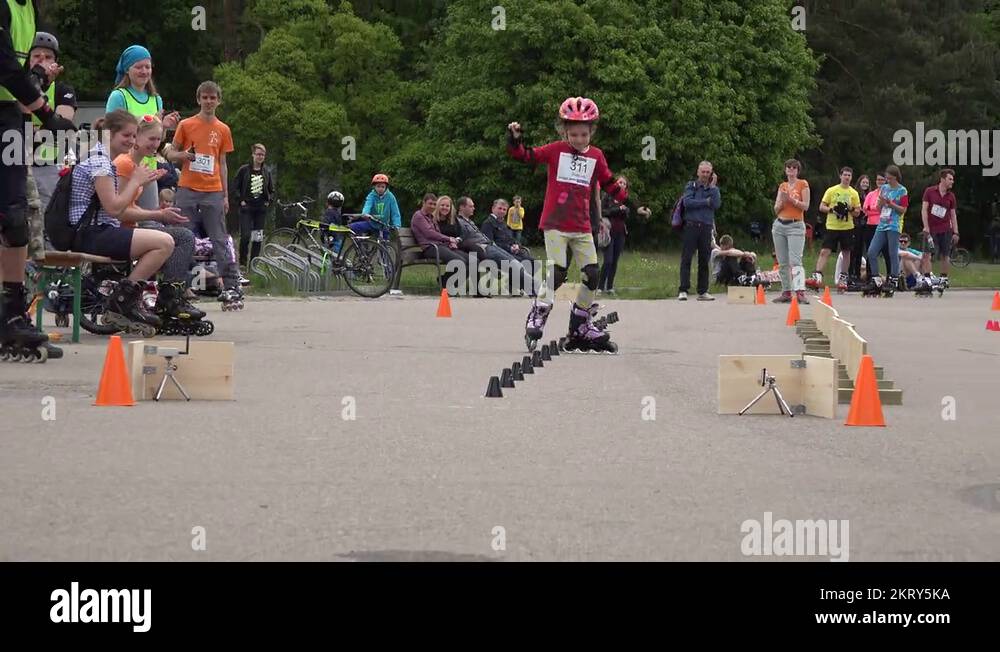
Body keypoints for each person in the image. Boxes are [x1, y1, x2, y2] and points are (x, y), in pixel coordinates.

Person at [507, 96, 628, 353]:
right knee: (559, 272)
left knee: (592, 274)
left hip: (582, 226)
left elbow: (608, 183)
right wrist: (515, 139)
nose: (579, 140)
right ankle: (538, 313)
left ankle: (580, 326)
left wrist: (633, 203)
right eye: (573, 134)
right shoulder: (556, 150)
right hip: (555, 224)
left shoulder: (596, 156)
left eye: (584, 134)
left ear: (591, 132)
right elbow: (526, 156)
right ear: (564, 132)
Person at [1, 0, 76, 361]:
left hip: (9, 116)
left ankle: (13, 311)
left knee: (15, 218)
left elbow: (19, 72)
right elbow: (4, 65)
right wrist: (46, 111)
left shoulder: (29, 8)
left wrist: (40, 79)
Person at [69, 111, 188, 331]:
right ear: (109, 134)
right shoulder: (100, 163)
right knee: (165, 242)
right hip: (91, 233)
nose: (132, 141)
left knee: (166, 239)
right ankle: (123, 301)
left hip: (98, 230)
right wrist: (135, 181)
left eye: (134, 136)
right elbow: (115, 208)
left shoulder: (105, 160)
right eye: (127, 136)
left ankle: (132, 298)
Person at [112, 113, 204, 325]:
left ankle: (170, 296)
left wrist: (160, 213)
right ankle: (169, 299)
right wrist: (157, 215)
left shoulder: (139, 164)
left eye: (158, 140)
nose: (155, 145)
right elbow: (119, 210)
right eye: (151, 139)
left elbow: (130, 206)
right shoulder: (125, 164)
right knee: (183, 237)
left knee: (184, 235)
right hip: (121, 230)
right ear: (136, 137)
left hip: (132, 227)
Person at [163, 81, 241, 309]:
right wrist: (185, 155)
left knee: (219, 238)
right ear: (198, 100)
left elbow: (223, 163)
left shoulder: (223, 129)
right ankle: (179, 285)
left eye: (212, 98)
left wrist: (225, 195)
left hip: (213, 190)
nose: (208, 101)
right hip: (187, 188)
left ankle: (231, 286)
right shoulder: (186, 125)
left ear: (219, 101)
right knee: (184, 237)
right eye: (204, 98)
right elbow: (171, 153)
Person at [106, 45, 180, 212]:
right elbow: (108, 135)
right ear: (127, 70)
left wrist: (163, 127)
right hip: (124, 170)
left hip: (148, 171)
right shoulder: (119, 96)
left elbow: (157, 141)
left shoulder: (156, 99)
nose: (144, 71)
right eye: (138, 67)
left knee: (148, 219)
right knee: (121, 217)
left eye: (147, 67)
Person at [25, 31, 76, 208]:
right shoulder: (16, 86)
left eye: (48, 57)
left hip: (49, 164)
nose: (42, 60)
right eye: (36, 56)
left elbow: (61, 126)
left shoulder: (62, 90)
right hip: (18, 162)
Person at [456, 196, 534, 296]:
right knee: (516, 263)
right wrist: (509, 248)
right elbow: (487, 240)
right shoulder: (488, 223)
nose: (502, 211)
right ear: (493, 209)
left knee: (529, 261)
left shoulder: (502, 224)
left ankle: (524, 287)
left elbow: (511, 238)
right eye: (499, 208)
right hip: (489, 249)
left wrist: (516, 245)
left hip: (496, 248)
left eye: (504, 209)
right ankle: (531, 288)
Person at [810, 167, 861, 292]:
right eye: (845, 175)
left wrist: (849, 209)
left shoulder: (853, 193)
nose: (847, 177)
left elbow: (858, 212)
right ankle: (817, 276)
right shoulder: (832, 190)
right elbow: (822, 206)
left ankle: (843, 278)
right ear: (840, 176)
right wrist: (832, 210)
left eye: (849, 175)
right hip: (832, 226)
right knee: (825, 251)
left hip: (847, 227)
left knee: (846, 252)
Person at [678, 161, 721, 301]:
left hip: (706, 227)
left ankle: (702, 291)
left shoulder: (713, 189)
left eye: (708, 172)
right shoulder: (691, 186)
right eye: (703, 172)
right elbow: (687, 203)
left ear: (711, 173)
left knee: (704, 259)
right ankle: (683, 289)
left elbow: (716, 204)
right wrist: (705, 202)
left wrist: (713, 187)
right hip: (691, 225)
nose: (705, 175)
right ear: (698, 172)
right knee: (686, 258)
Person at [410, 193, 469, 292]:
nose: (432, 206)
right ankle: (448, 287)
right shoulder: (419, 216)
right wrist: (449, 239)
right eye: (430, 203)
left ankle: (445, 281)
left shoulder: (430, 217)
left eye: (434, 204)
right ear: (423, 203)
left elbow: (437, 233)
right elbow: (429, 234)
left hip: (440, 246)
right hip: (430, 248)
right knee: (459, 262)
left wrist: (450, 242)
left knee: (470, 261)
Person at [771, 159, 810, 304]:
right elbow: (776, 209)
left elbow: (805, 206)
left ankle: (800, 291)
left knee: (795, 260)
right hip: (780, 224)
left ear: (797, 170)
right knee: (782, 261)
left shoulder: (803, 184)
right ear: (785, 170)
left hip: (795, 225)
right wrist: (782, 201)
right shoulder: (783, 186)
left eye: (794, 168)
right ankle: (786, 291)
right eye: (789, 167)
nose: (791, 170)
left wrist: (792, 200)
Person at [865, 165, 908, 295]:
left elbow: (903, 210)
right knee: (872, 252)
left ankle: (893, 278)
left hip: (894, 225)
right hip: (882, 224)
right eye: (886, 178)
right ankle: (876, 278)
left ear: (895, 177)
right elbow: (878, 209)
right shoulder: (884, 188)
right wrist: (881, 203)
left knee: (892, 252)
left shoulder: (902, 191)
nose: (887, 180)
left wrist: (891, 204)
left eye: (889, 178)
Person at [597, 190, 650, 295]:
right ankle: (600, 287)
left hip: (620, 233)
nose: (621, 185)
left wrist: (644, 210)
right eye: (620, 182)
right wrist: (618, 209)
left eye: (624, 184)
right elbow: (603, 212)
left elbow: (635, 210)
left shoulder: (626, 200)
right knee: (608, 261)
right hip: (608, 232)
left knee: (614, 261)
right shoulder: (608, 197)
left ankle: (610, 287)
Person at [360, 172, 403, 295]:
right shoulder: (371, 196)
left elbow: (395, 212)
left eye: (382, 186)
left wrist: (397, 225)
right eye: (378, 186)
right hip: (372, 223)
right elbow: (367, 205)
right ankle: (362, 251)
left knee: (385, 249)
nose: (380, 188)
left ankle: (388, 274)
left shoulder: (390, 197)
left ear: (386, 187)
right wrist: (365, 213)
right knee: (356, 228)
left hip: (383, 225)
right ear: (374, 187)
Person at [233, 143, 273, 266]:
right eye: (258, 154)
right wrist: (241, 200)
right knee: (245, 236)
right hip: (247, 208)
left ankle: (254, 263)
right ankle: (243, 262)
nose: (260, 157)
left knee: (257, 237)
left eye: (263, 155)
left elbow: (271, 189)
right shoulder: (244, 170)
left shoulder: (266, 171)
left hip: (260, 209)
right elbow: (235, 187)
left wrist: (268, 201)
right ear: (253, 155)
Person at [920, 169, 959, 280]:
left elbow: (953, 215)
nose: (952, 182)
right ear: (942, 179)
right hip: (931, 229)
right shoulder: (930, 191)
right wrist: (926, 226)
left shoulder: (951, 196)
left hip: (945, 229)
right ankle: (927, 278)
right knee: (927, 254)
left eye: (953, 179)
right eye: (950, 179)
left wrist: (956, 232)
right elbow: (924, 209)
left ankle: (943, 279)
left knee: (945, 255)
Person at [847, 175, 869, 282]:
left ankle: (857, 273)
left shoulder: (869, 195)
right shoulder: (855, 194)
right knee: (853, 250)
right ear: (859, 183)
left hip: (865, 225)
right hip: (855, 224)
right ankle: (851, 274)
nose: (865, 184)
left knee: (861, 250)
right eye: (863, 182)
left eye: (867, 183)